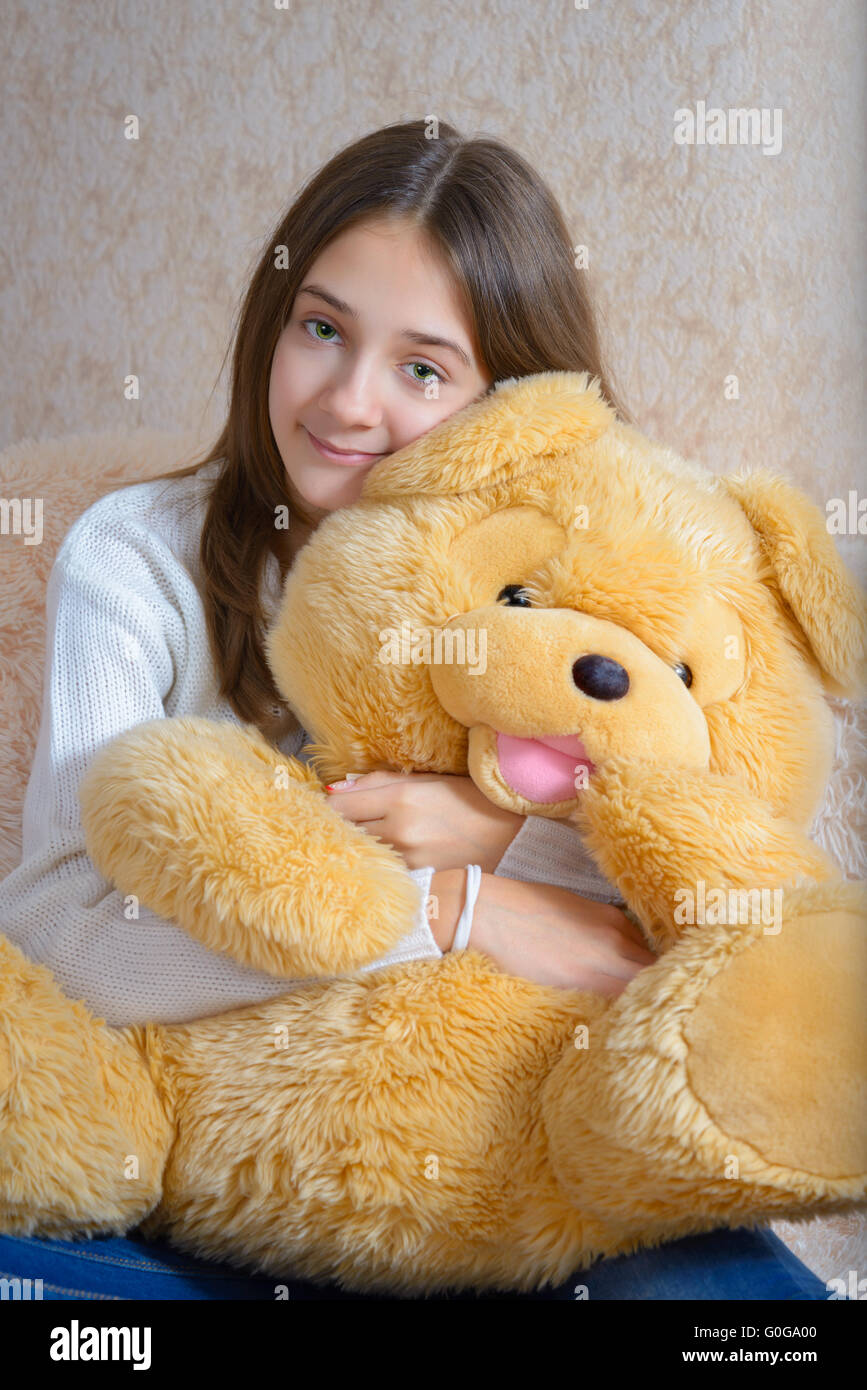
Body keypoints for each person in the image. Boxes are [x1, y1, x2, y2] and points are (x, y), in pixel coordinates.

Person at [0, 119, 827, 1301]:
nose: (346, 400)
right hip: (222, 1165)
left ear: (518, 403)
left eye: (423, 368)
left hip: (507, 1151)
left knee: (755, 1314)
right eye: (321, 329)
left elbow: (696, 907)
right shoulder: (138, 558)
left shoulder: (580, 577)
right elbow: (60, 935)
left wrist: (498, 830)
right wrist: (448, 906)